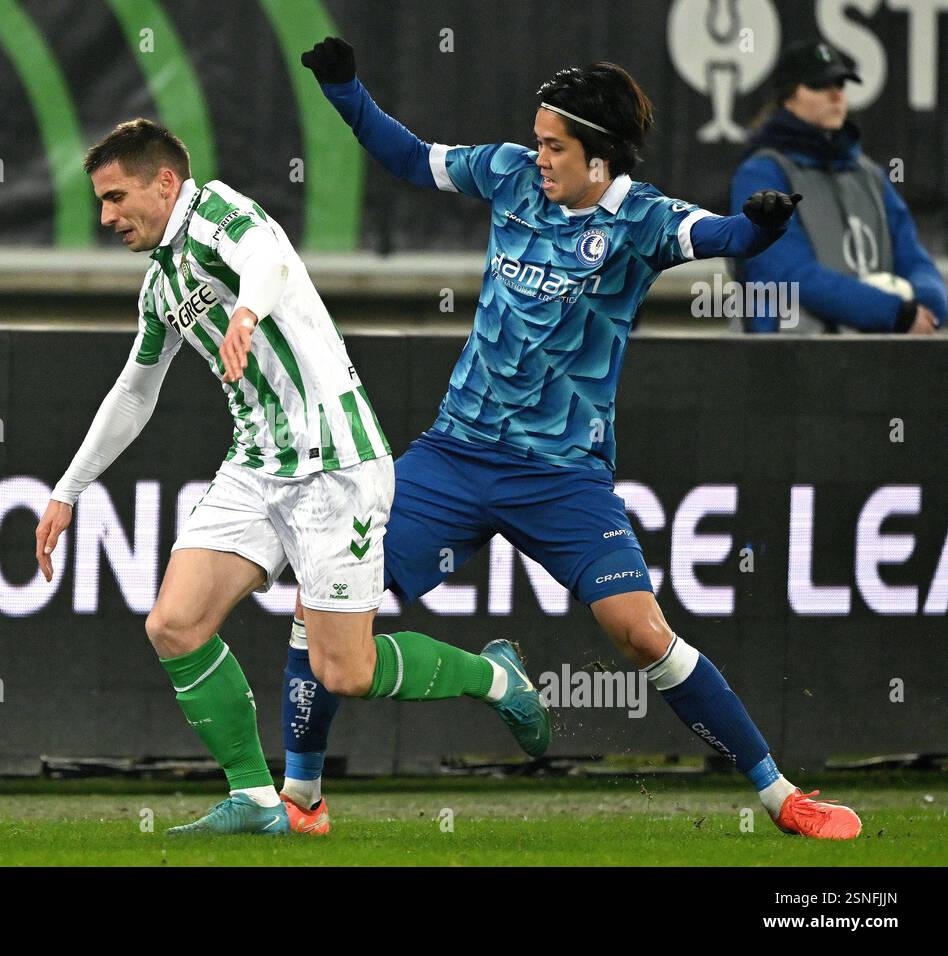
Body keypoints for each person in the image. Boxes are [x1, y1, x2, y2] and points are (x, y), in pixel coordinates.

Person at [274, 37, 862, 840]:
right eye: (539, 140)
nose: (538, 155)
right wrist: (346, 88)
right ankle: (301, 802)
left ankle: (781, 797)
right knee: (325, 602)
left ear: (600, 158)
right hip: (456, 454)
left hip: (562, 477)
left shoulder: (643, 220)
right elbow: (410, 157)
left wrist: (758, 231)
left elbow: (722, 239)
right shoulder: (511, 173)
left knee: (642, 633)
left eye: (555, 145)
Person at [35, 119, 549, 836]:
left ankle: (497, 679)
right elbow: (134, 392)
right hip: (256, 467)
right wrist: (67, 490)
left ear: (166, 182)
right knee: (174, 625)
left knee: (347, 671)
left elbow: (269, 264)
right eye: (99, 202)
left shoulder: (223, 214)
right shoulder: (160, 285)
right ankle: (255, 798)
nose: (106, 217)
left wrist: (246, 311)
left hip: (336, 464)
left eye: (116, 197)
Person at [730, 39, 946, 334]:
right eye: (820, 85)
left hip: (876, 359)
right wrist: (893, 312)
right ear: (787, 97)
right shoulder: (761, 174)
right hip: (786, 361)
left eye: (841, 85)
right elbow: (790, 275)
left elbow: (914, 258)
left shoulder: (870, 176)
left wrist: (928, 303)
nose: (836, 95)